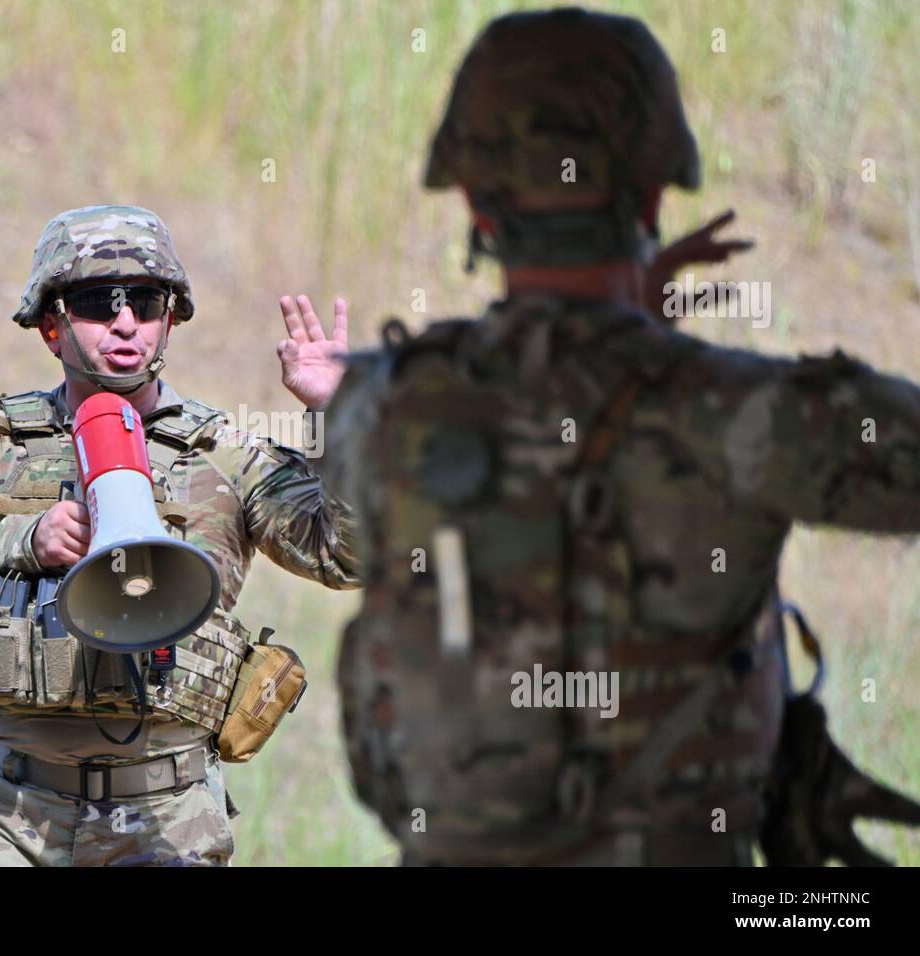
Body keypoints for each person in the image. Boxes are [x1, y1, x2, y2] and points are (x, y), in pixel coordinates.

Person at [323, 8, 920, 865]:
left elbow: (538, 413)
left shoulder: (374, 409)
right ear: (650, 191)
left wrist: (618, 327)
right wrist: (649, 339)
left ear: (473, 201)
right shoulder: (743, 418)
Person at [0, 204, 358, 865]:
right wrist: (21, 543)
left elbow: (347, 557)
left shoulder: (226, 454)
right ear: (52, 324)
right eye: (100, 302)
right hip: (13, 816)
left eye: (147, 302)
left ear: (172, 319)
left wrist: (348, 421)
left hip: (168, 822)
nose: (126, 322)